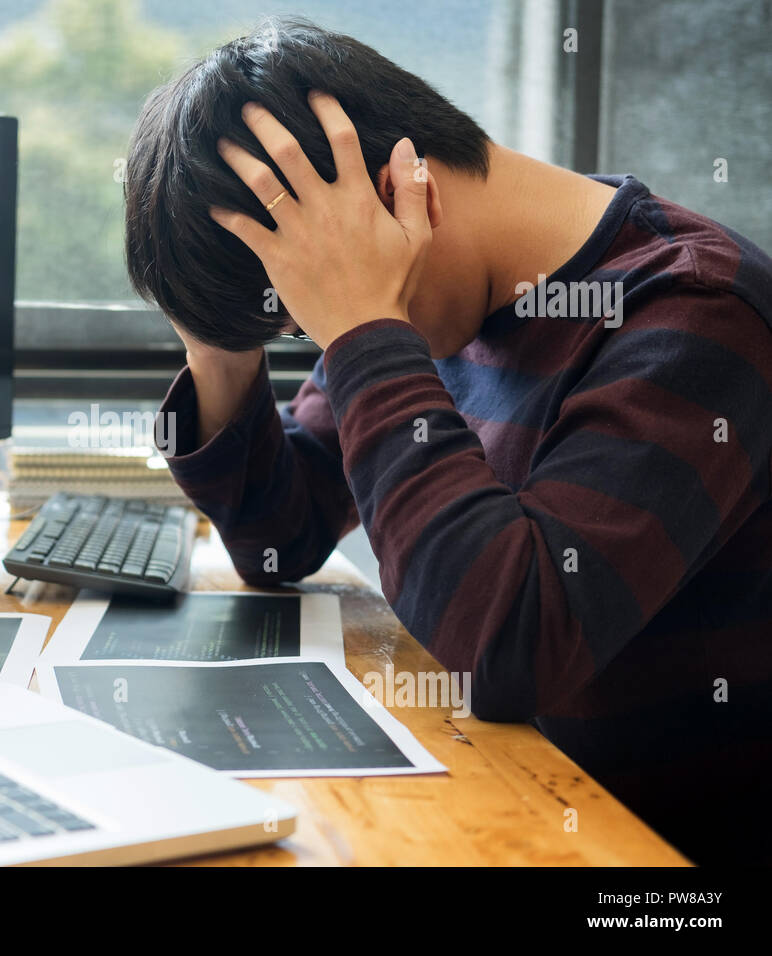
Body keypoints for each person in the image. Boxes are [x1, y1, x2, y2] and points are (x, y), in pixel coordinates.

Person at [123, 18, 772, 865]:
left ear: (395, 188)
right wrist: (219, 343)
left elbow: (513, 646)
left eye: (305, 311)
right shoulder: (431, 305)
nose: (319, 338)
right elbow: (281, 539)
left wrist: (361, 323)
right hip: (499, 805)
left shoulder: (693, 311)